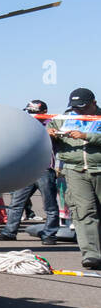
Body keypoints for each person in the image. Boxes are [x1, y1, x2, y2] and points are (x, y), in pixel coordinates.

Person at [49, 87, 101, 269]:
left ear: (94, 103)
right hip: (75, 171)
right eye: (75, 107)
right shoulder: (63, 119)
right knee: (84, 211)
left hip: (99, 168)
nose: (78, 111)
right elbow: (44, 131)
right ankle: (92, 255)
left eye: (83, 107)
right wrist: (49, 135)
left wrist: (88, 136)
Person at [0, 100, 60, 244]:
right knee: (16, 202)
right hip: (27, 170)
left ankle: (50, 234)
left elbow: (58, 139)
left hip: (45, 169)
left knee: (49, 205)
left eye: (34, 112)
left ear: (44, 112)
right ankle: (9, 232)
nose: (31, 115)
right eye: (29, 112)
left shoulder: (52, 124)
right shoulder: (25, 126)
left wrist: (51, 134)